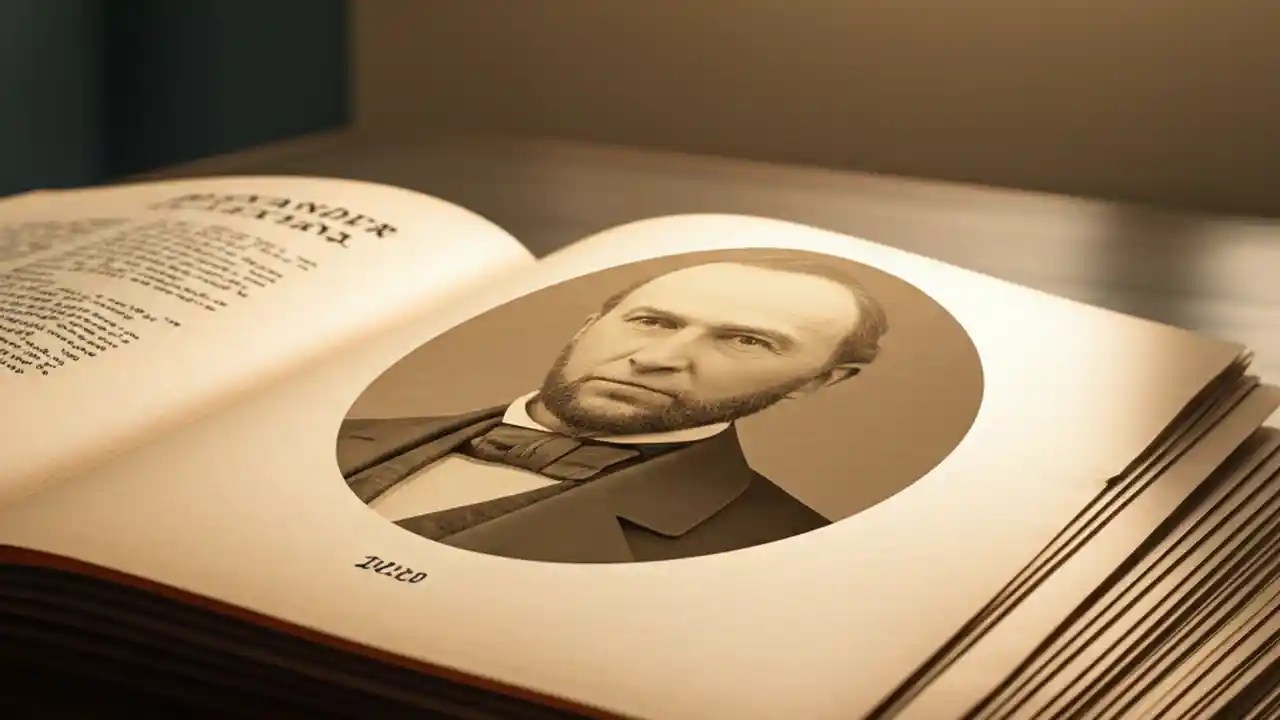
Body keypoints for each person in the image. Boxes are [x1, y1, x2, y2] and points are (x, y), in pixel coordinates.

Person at [337, 256, 890, 563]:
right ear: (589, 326)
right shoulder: (344, 435)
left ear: (820, 381)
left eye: (745, 341)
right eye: (652, 321)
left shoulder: (788, 554)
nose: (657, 359)